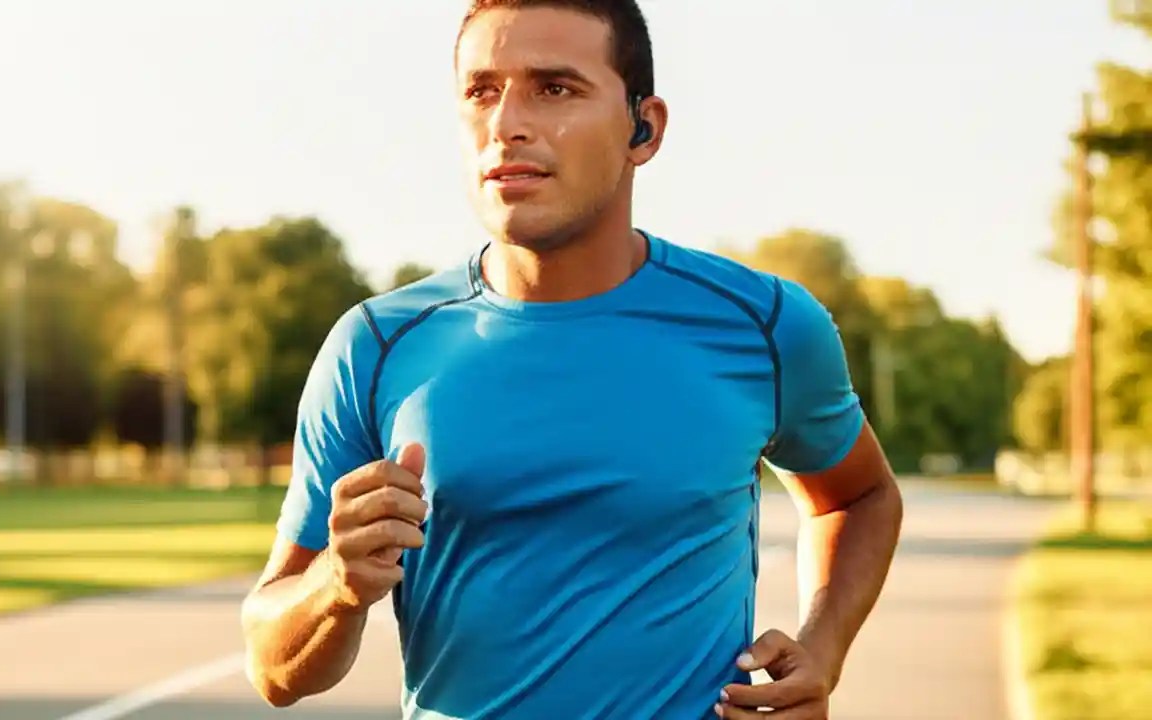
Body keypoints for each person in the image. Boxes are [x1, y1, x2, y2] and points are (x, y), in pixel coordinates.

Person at [241, 1, 904, 718]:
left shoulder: (765, 326)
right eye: (482, 91)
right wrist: (336, 585)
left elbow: (858, 497)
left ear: (643, 128)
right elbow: (277, 673)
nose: (506, 124)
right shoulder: (374, 346)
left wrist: (822, 650)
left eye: (554, 88)